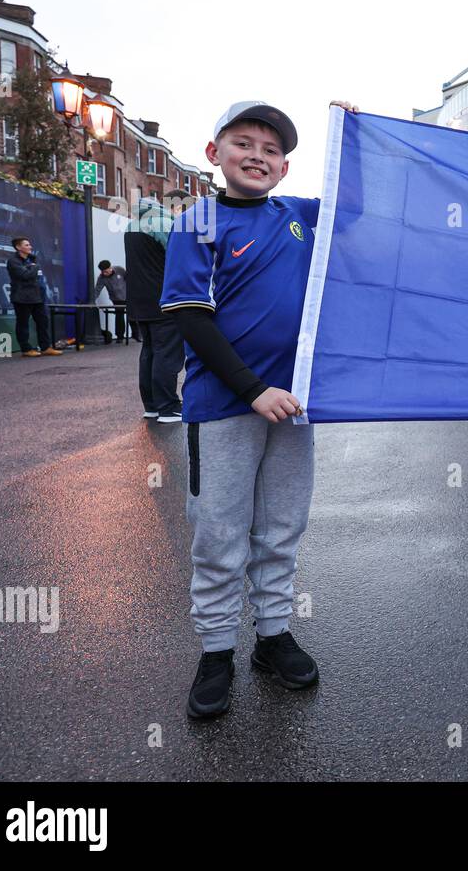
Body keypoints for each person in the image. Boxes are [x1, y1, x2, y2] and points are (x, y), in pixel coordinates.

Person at [162, 100, 358, 720]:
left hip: (294, 406)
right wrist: (252, 389)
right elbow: (192, 317)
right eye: (243, 143)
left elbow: (360, 205)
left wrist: (355, 139)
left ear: (286, 167)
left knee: (281, 527)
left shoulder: (300, 217)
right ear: (214, 154)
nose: (257, 156)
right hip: (224, 405)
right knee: (219, 533)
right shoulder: (199, 220)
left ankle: (272, 637)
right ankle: (217, 650)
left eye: (272, 150)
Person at [125, 196, 186, 422]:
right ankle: (168, 407)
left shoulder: (132, 226)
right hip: (163, 298)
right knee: (167, 352)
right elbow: (180, 258)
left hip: (138, 300)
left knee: (149, 351)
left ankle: (151, 405)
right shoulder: (163, 223)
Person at [7, 237, 62, 357]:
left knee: (43, 322)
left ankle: (45, 347)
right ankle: (26, 349)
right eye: (26, 245)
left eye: (29, 244)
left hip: (37, 297)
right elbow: (24, 275)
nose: (30, 247)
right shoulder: (13, 261)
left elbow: (36, 277)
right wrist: (34, 267)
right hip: (22, 298)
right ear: (18, 247)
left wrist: (32, 267)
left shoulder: (33, 260)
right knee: (23, 324)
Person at [93, 259, 130, 341]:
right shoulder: (101, 278)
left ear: (110, 268)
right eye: (103, 272)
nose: (105, 273)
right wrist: (92, 300)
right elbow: (97, 290)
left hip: (128, 296)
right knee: (119, 316)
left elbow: (129, 280)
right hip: (116, 299)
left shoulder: (119, 270)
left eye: (106, 271)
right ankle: (120, 336)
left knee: (132, 315)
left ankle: (136, 334)